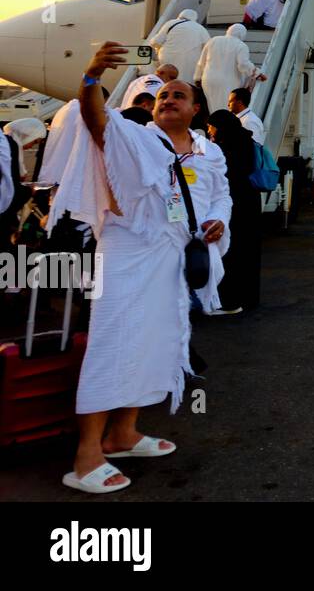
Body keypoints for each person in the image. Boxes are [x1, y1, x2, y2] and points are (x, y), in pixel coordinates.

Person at [47, 43, 232, 495]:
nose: (167, 100)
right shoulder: (136, 137)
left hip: (173, 260)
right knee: (113, 345)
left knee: (156, 344)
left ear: (195, 109)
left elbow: (222, 195)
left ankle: (122, 434)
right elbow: (95, 121)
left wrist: (218, 222)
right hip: (129, 254)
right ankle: (87, 454)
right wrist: (91, 78)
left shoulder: (210, 152)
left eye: (177, 96)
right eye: (162, 96)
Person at [207, 109, 262, 312]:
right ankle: (248, 298)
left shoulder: (227, 146)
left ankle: (231, 301)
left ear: (221, 126)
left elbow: (229, 174)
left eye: (211, 126)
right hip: (249, 202)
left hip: (238, 204)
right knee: (247, 253)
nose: (209, 130)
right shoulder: (243, 139)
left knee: (233, 252)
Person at [194, 25, 263, 118]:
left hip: (209, 80)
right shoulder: (241, 46)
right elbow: (243, 64)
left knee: (213, 107)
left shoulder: (213, 40)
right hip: (228, 82)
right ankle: (222, 129)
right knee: (225, 108)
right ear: (242, 34)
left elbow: (201, 62)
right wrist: (257, 73)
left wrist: (198, 77)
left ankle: (214, 128)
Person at [149, 8, 209, 82]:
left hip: (168, 59)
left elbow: (155, 42)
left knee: (166, 81)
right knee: (186, 83)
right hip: (190, 62)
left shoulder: (171, 23)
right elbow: (208, 48)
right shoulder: (201, 29)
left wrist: (156, 48)